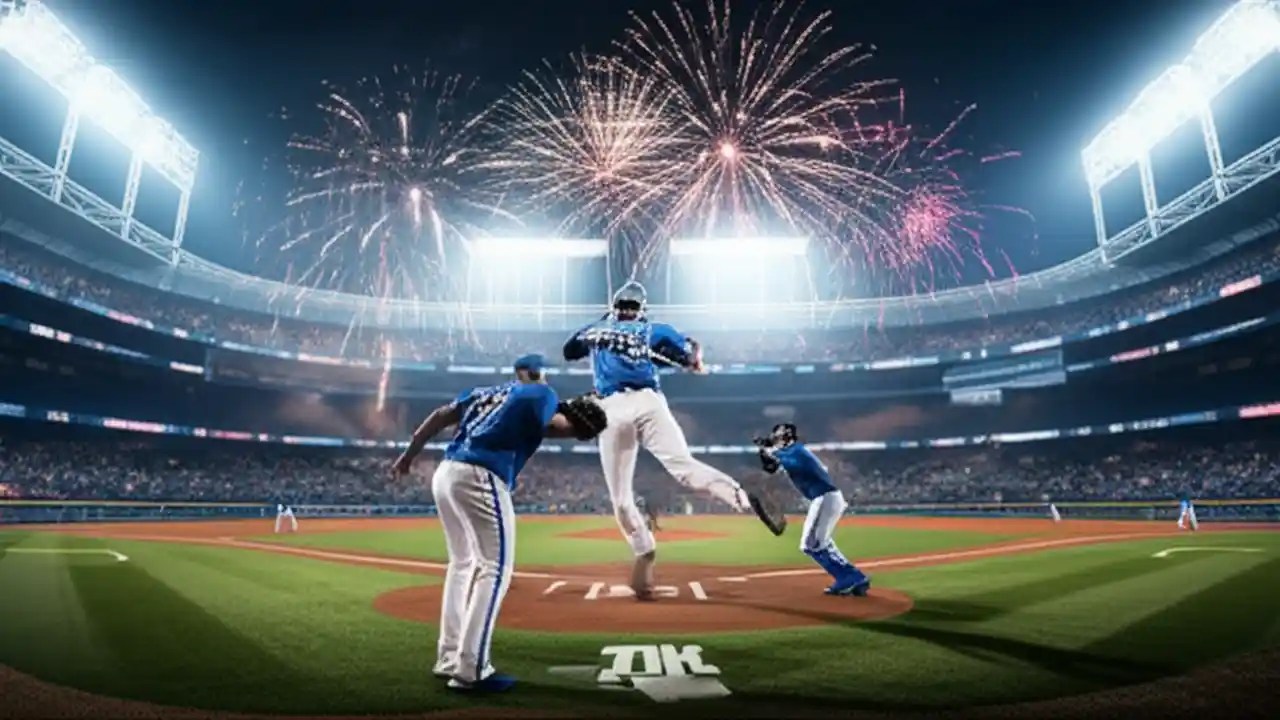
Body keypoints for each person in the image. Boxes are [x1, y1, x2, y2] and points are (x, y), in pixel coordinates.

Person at [391, 354, 605, 694]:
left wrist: (409, 454)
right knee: (495, 568)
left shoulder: (480, 392)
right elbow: (552, 425)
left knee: (462, 564)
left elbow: (438, 417)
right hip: (483, 474)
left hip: (446, 472)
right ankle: (471, 668)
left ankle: (448, 657)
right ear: (535, 373)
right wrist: (582, 421)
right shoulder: (542, 393)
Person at [563, 281, 786, 600]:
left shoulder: (595, 328)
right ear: (642, 309)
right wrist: (693, 363)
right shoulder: (656, 328)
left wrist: (603, 328)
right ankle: (742, 497)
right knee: (685, 468)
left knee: (622, 499)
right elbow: (691, 353)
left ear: (615, 306)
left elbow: (569, 351)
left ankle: (644, 550)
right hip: (650, 401)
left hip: (611, 407)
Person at [754, 423, 870, 596]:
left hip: (825, 497)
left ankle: (848, 577)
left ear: (787, 436)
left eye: (778, 436)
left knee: (810, 544)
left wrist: (768, 450)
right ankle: (853, 577)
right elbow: (771, 468)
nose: (775, 439)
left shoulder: (796, 450)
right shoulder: (792, 451)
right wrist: (765, 452)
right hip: (826, 498)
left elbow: (783, 461)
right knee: (819, 543)